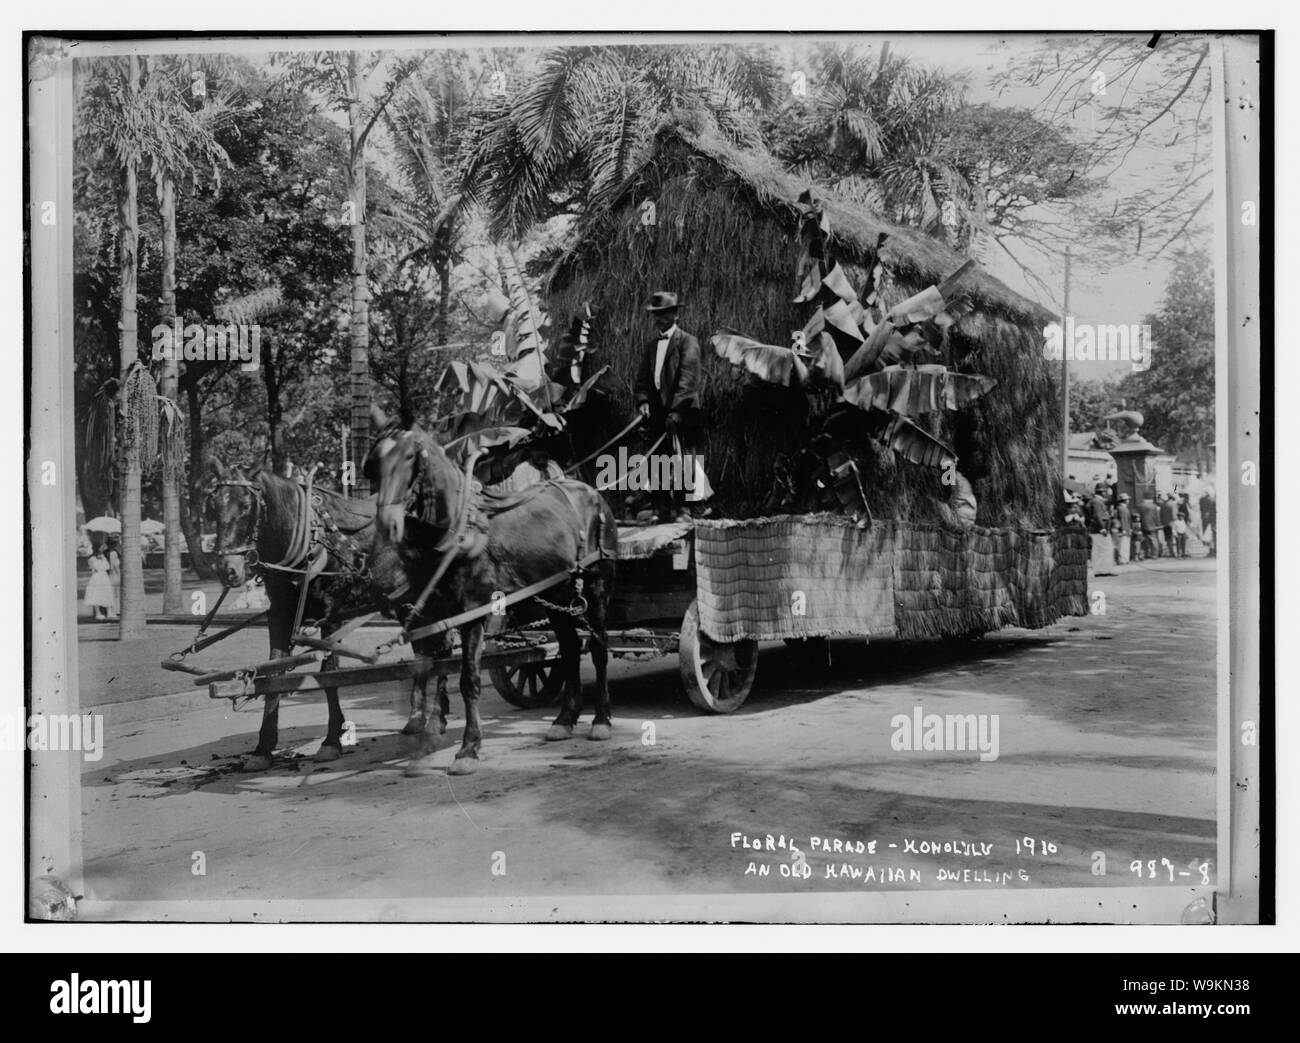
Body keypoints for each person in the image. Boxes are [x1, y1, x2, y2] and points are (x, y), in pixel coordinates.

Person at [633, 291, 714, 522]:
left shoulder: (687, 342)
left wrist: (677, 410)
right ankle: (660, 508)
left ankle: (685, 508)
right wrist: (643, 401)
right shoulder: (650, 346)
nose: (657, 319)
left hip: (682, 413)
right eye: (655, 315)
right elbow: (642, 380)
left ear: (675, 314)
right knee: (657, 460)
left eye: (663, 314)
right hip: (658, 413)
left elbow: (688, 379)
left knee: (682, 459)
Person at [84, 545, 115, 620]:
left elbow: (107, 567)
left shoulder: (104, 558)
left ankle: (109, 612)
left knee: (107, 593)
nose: (101, 553)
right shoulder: (92, 559)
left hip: (104, 576)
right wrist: (99, 560)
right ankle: (98, 613)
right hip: (97, 577)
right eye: (100, 551)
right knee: (96, 594)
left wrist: (103, 559)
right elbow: (96, 568)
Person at [1112, 493, 1132, 565]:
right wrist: (1124, 529)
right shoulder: (1122, 508)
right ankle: (1123, 560)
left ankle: (1125, 559)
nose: (1128, 501)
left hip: (1125, 529)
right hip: (1124, 529)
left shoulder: (1121, 508)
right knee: (1123, 545)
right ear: (1124, 500)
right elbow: (1123, 520)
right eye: (1127, 500)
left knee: (1124, 545)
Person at [105, 534, 121, 620]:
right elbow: (114, 566)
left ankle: (112, 611)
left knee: (111, 594)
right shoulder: (114, 553)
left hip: (107, 575)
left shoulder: (105, 552)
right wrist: (119, 575)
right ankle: (115, 610)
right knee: (115, 594)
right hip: (114, 574)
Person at [1158, 493, 1177, 558]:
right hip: (1172, 524)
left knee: (1168, 538)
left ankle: (1170, 552)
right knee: (1173, 538)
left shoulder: (1163, 505)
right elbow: (1174, 517)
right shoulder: (1173, 505)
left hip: (1165, 524)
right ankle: (1173, 553)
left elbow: (1160, 515)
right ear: (1172, 498)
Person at [1199, 490, 1216, 557]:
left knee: (1208, 535)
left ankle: (1211, 550)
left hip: (1206, 519)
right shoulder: (1212, 500)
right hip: (1212, 520)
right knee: (1212, 536)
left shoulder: (1202, 499)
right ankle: (1212, 551)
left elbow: (1201, 509)